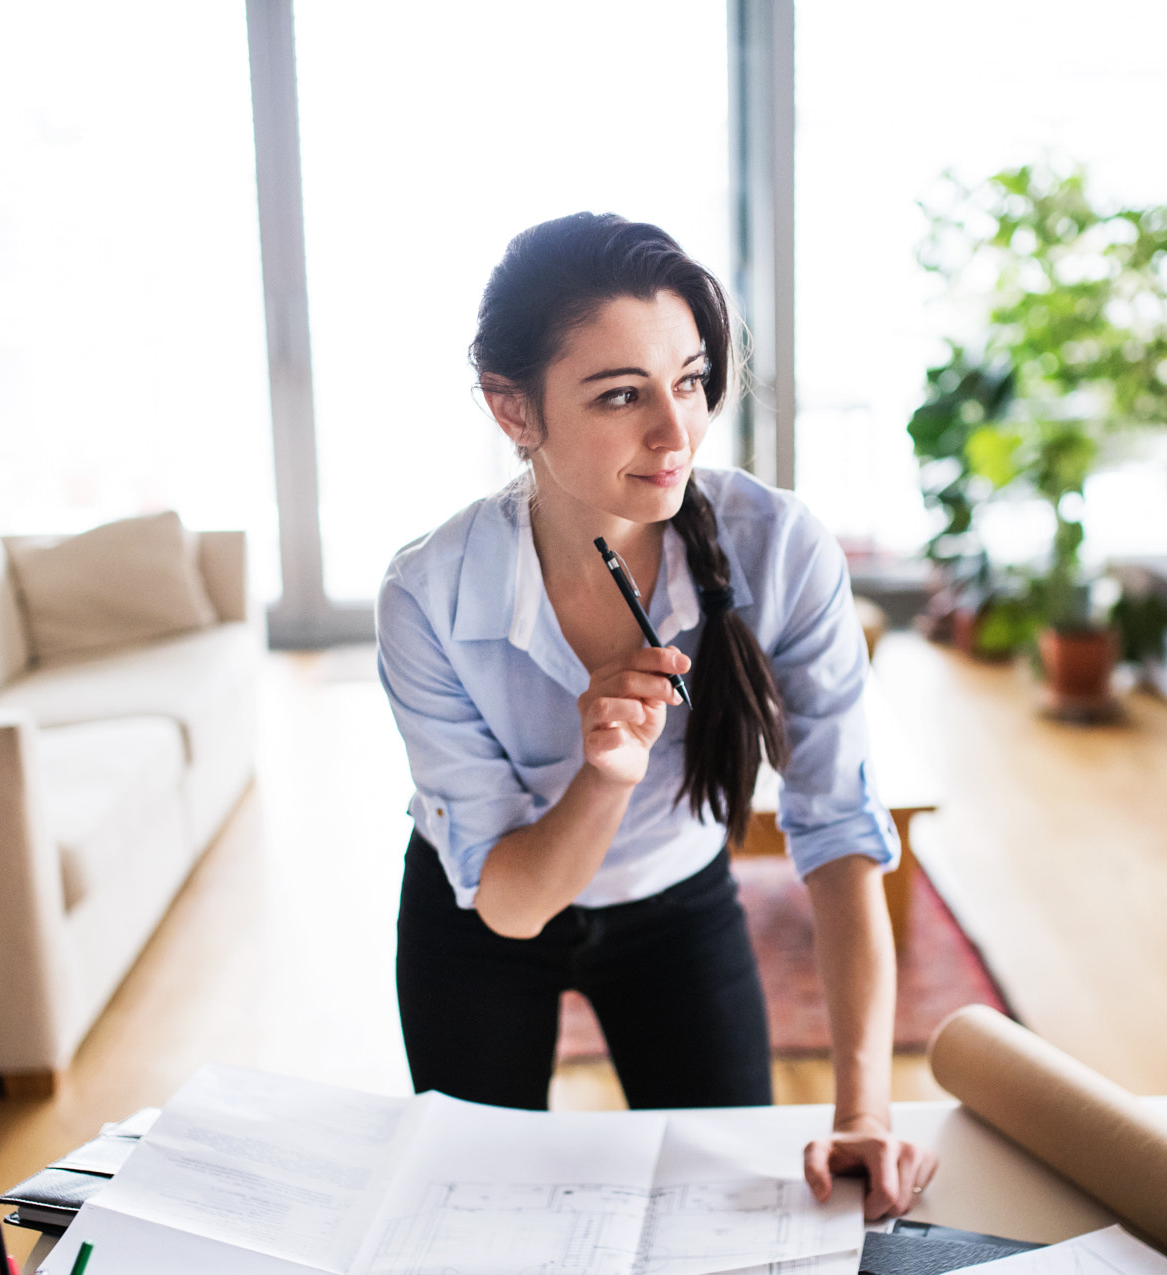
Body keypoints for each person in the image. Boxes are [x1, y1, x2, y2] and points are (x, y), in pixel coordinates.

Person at [375, 212, 937, 1218]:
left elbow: (841, 831)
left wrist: (865, 1110)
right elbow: (509, 903)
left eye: (687, 382)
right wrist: (603, 775)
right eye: (620, 395)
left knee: (725, 1206)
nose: (674, 432)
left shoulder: (778, 549)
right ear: (513, 409)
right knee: (470, 1211)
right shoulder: (430, 593)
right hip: (480, 916)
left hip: (679, 901)